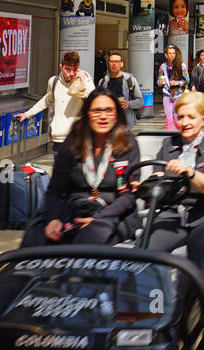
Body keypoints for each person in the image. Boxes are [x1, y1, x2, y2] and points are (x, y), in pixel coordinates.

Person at [147, 91, 204, 299]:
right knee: (148, 247)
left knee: (201, 250)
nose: (184, 122)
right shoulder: (169, 146)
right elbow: (158, 179)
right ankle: (147, 309)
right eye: (180, 117)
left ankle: (203, 313)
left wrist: (188, 171)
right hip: (176, 215)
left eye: (191, 117)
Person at [21, 90, 140, 248]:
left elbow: (129, 196)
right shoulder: (72, 143)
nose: (103, 116)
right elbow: (55, 189)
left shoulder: (128, 144)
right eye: (96, 111)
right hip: (74, 210)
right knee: (36, 234)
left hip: (111, 213)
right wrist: (53, 219)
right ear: (87, 114)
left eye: (109, 110)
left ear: (117, 114)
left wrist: (99, 217)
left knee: (91, 237)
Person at [19, 50, 95, 147]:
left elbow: (94, 99)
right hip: (58, 137)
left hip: (78, 137)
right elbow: (46, 100)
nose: (71, 73)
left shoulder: (85, 81)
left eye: (75, 69)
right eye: (67, 69)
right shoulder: (54, 81)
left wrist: (84, 82)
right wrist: (27, 114)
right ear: (61, 67)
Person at [97, 50, 145, 129]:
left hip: (126, 124)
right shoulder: (102, 82)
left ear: (121, 64)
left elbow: (140, 102)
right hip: (108, 124)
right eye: (111, 61)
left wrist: (128, 103)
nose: (114, 64)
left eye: (116, 61)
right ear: (108, 64)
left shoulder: (130, 80)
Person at [157, 45, 186, 130]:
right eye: (170, 53)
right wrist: (160, 82)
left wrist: (177, 82)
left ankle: (180, 137)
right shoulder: (163, 66)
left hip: (179, 95)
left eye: (174, 53)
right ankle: (170, 138)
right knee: (168, 119)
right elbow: (159, 79)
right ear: (166, 55)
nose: (172, 55)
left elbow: (186, 81)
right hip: (167, 94)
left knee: (178, 118)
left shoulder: (182, 65)